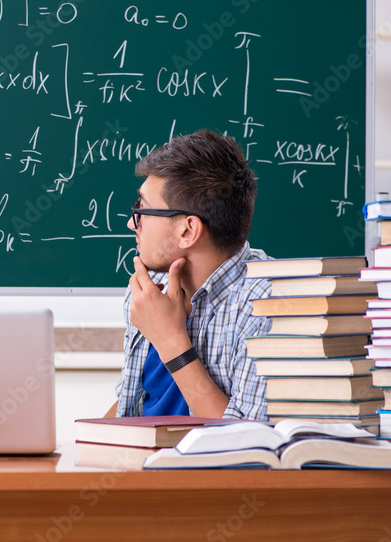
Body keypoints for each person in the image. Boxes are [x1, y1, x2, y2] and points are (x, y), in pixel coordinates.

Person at [109, 129, 272, 420]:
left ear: (187, 230)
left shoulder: (267, 305)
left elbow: (247, 441)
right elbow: (131, 405)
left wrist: (170, 340)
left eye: (142, 210)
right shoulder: (150, 290)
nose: (132, 225)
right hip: (141, 463)